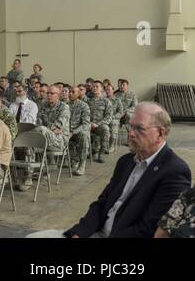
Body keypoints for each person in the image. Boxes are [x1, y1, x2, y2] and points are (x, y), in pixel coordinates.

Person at [31, 102, 190, 238]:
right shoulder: (126, 161)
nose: (131, 133)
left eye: (139, 128)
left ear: (160, 133)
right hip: (95, 232)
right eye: (131, 126)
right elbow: (102, 204)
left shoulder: (174, 171)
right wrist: (79, 233)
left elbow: (149, 229)